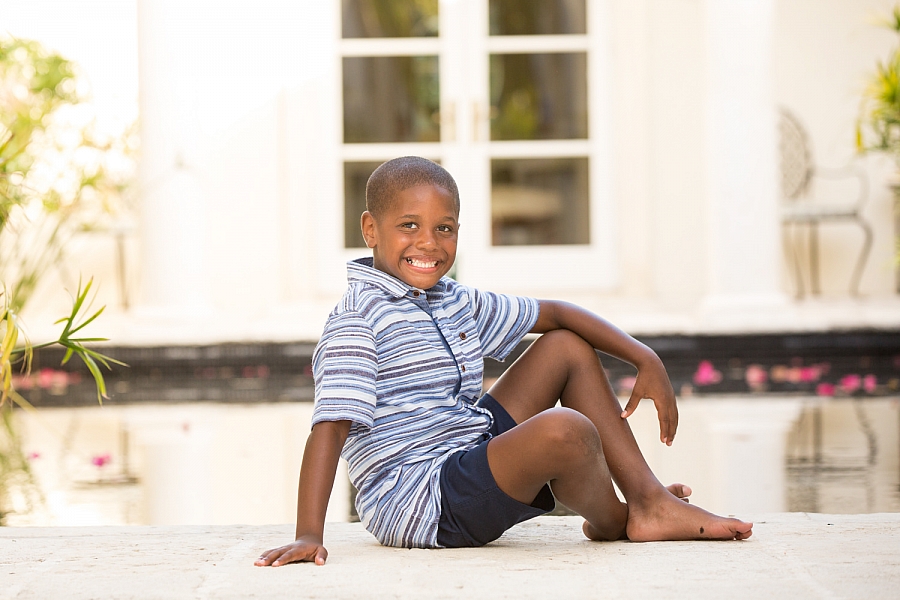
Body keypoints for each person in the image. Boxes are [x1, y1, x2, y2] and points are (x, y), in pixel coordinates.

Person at [255, 157, 752, 567]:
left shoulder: (453, 299)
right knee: (563, 430)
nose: (428, 243)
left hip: (465, 445)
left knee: (565, 347)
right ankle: (621, 520)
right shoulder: (357, 321)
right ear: (370, 229)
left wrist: (645, 357)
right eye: (409, 226)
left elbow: (555, 313)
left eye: (444, 228)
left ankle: (648, 499)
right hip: (422, 498)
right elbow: (330, 428)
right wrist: (307, 534)